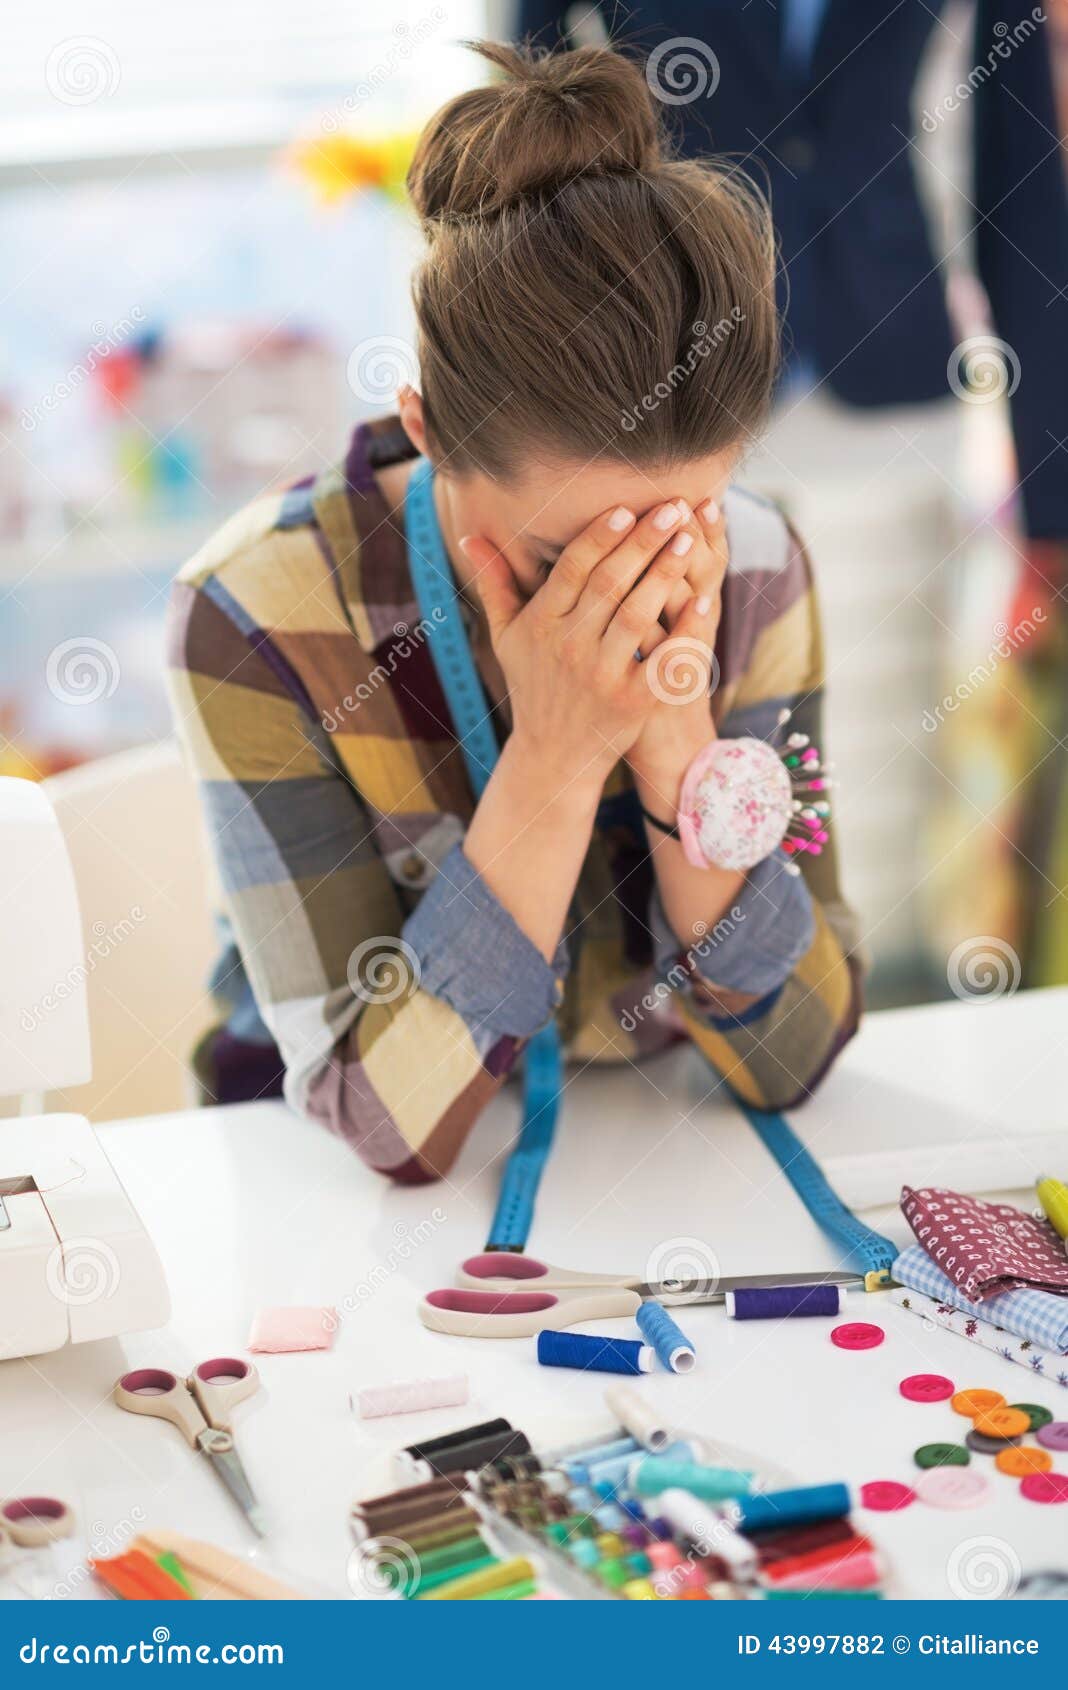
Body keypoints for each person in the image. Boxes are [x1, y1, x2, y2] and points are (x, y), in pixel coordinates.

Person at [166, 42, 862, 1184]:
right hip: (304, 1195)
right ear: (431, 431)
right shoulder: (252, 615)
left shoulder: (760, 561)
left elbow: (792, 1054)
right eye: (564, 551)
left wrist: (679, 751)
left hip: (653, 1153)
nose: (634, 592)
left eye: (680, 523)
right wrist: (554, 756)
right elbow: (384, 1127)